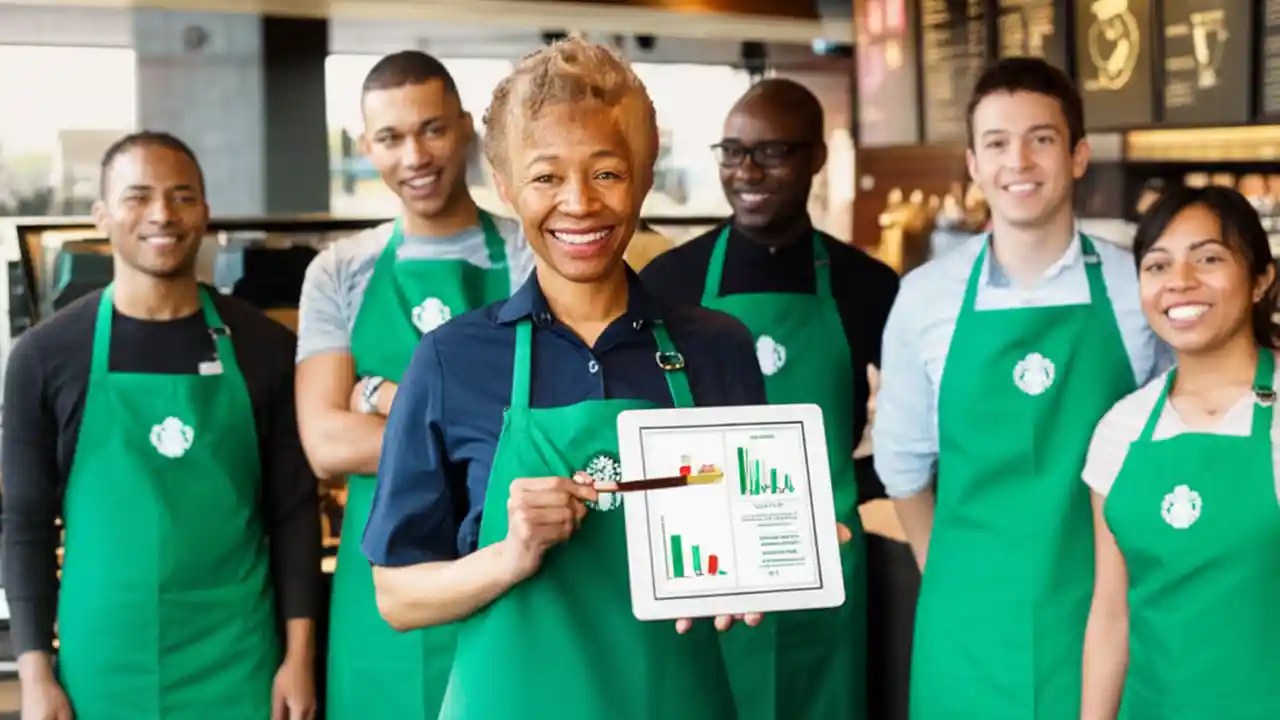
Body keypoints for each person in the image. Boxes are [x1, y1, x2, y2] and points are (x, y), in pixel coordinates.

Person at [362, 38, 779, 719]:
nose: (579, 203)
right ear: (506, 187)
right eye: (546, 178)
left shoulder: (717, 349)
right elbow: (396, 597)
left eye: (607, 173)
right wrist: (511, 554)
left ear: (644, 178)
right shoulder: (451, 360)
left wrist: (783, 550)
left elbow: (742, 545)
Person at [871, 57, 1171, 719]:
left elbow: (1174, 441)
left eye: (1041, 139)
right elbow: (902, 465)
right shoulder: (925, 298)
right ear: (974, 164)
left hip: (1104, 617)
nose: (1019, 162)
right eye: (998, 143)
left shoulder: (1138, 286)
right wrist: (950, 579)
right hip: (965, 627)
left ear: (1078, 155)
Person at [1, 132, 320, 719]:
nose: (162, 215)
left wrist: (298, 657)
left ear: (205, 211)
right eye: (138, 197)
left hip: (237, 654)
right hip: (101, 662)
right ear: (101, 215)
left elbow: (294, 512)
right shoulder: (44, 357)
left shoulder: (266, 347)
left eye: (182, 196)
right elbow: (24, 525)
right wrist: (36, 673)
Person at [640, 78, 898, 720]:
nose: (746, 171)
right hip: (705, 576)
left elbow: (919, 429)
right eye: (732, 152)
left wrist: (851, 484)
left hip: (827, 562)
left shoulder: (867, 286)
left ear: (817, 158)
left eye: (771, 152)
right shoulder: (669, 282)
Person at [293, 51, 532, 720]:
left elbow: (542, 425)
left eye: (432, 129)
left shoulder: (529, 253)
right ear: (366, 146)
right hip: (380, 585)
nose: (415, 156)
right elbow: (326, 445)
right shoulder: (339, 271)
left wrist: (380, 396)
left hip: (510, 566)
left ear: (465, 127)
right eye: (391, 138)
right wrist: (477, 431)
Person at [1081, 186, 1280, 719]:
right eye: (1157, 265)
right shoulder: (1120, 430)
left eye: (1209, 259)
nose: (1180, 281)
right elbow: (1111, 615)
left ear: (1261, 279)